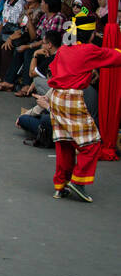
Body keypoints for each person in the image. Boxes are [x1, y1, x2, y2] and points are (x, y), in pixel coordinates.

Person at [46, 11, 121, 202]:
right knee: (92, 143)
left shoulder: (64, 49)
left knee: (64, 143)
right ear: (92, 34)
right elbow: (114, 56)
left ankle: (60, 184)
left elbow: (53, 70)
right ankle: (78, 181)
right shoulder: (88, 50)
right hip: (72, 98)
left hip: (56, 97)